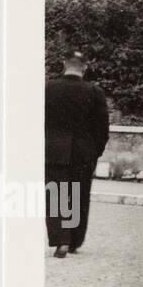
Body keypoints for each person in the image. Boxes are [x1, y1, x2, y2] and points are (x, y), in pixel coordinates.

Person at [45, 51, 110, 258]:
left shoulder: (48, 88)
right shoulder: (94, 92)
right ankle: (73, 240)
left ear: (64, 64)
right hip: (83, 153)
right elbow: (102, 129)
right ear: (85, 67)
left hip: (54, 150)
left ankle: (60, 240)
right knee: (79, 195)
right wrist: (95, 152)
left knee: (56, 194)